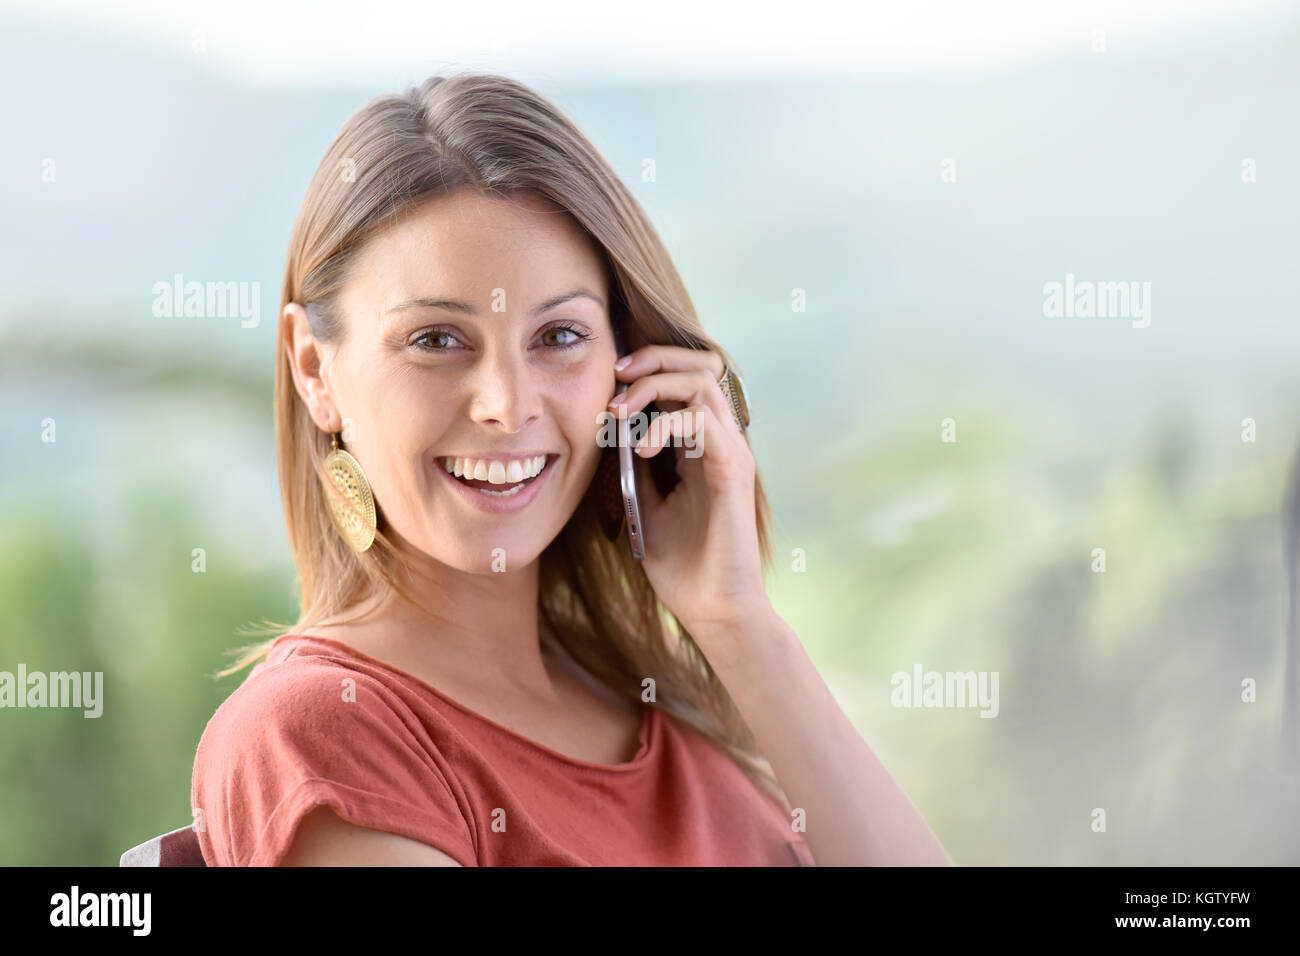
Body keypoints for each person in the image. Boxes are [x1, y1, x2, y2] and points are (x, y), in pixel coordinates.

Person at [190, 71, 951, 867]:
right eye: (436, 340)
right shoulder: (323, 731)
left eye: (558, 337)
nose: (507, 405)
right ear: (315, 370)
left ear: (629, 367)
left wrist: (738, 621)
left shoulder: (667, 703)